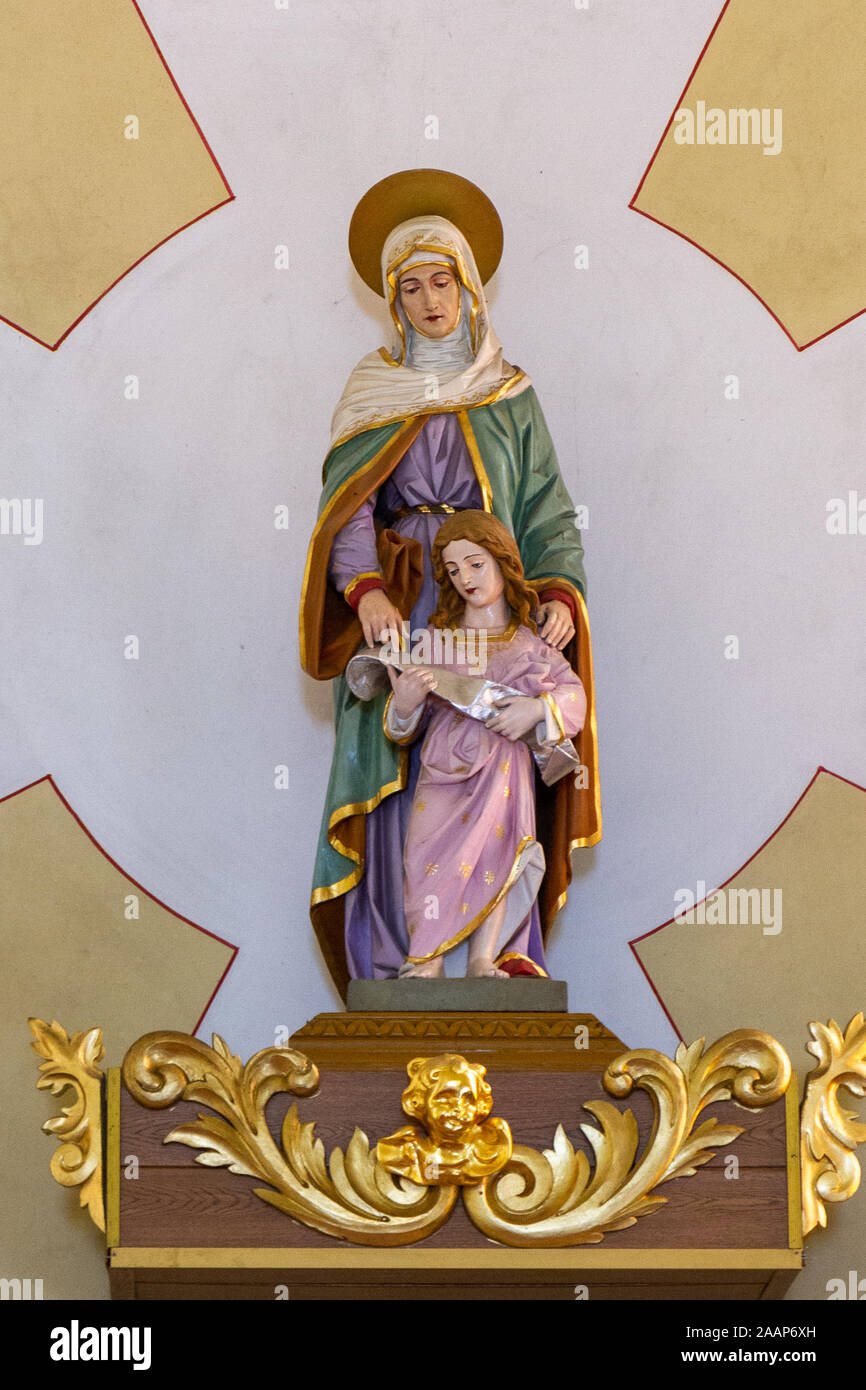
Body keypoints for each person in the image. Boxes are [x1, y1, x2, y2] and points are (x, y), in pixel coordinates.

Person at [299, 169, 600, 996]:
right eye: (410, 287)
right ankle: (402, 961)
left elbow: (546, 509)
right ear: (393, 303)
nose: (429, 301)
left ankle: (494, 951)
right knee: (400, 775)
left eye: (442, 281)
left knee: (502, 754)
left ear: (468, 289)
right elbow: (349, 509)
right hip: (406, 608)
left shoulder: (510, 396)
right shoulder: (373, 393)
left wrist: (559, 595)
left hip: (490, 602)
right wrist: (364, 591)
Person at [385, 511, 587, 979]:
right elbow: (400, 730)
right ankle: (426, 959)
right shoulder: (436, 643)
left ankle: (482, 958)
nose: (466, 579)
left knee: (497, 856)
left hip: (503, 768)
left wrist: (537, 711)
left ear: (502, 562)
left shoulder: (530, 644)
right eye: (454, 571)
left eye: (475, 564)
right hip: (443, 769)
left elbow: (573, 697)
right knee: (426, 857)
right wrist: (406, 704)